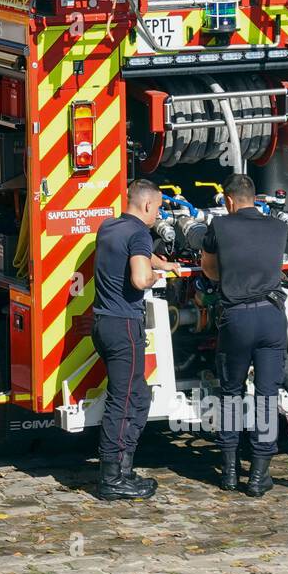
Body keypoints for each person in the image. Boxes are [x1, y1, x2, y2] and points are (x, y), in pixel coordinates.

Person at [200, 174, 288, 497]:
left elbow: (208, 269)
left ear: (228, 201)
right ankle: (258, 476)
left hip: (236, 319)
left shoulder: (219, 228)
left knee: (230, 394)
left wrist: (231, 274)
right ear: (255, 198)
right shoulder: (279, 227)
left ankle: (228, 472)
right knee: (267, 396)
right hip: (271, 317)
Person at [90, 179, 164, 501]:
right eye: (159, 208)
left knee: (138, 396)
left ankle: (123, 469)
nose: (158, 214)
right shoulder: (140, 234)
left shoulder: (109, 227)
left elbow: (132, 256)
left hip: (103, 324)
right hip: (124, 328)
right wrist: (154, 276)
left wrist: (163, 262)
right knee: (125, 401)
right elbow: (138, 277)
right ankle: (112, 479)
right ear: (147, 205)